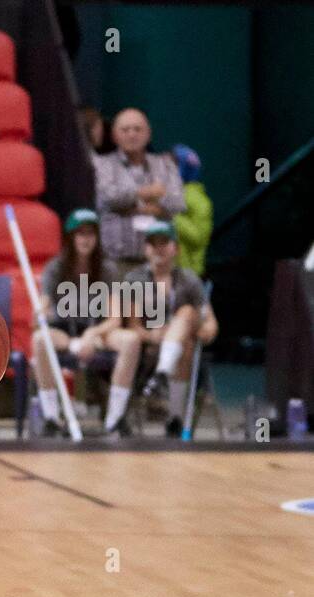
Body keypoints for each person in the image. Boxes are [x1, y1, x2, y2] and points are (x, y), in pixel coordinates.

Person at [31, 208, 140, 438]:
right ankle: (52, 417)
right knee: (40, 339)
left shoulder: (107, 269)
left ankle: (114, 419)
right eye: (80, 233)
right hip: (65, 334)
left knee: (131, 340)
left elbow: (115, 318)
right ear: (70, 238)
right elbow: (40, 312)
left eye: (90, 233)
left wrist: (92, 334)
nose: (85, 239)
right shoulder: (56, 268)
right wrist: (39, 311)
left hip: (99, 333)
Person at [124, 222, 217, 436]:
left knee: (186, 314)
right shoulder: (134, 280)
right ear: (145, 249)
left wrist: (205, 331)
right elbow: (134, 328)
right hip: (149, 350)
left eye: (164, 243)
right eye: (153, 243)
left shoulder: (189, 280)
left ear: (176, 248)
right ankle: (175, 417)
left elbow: (210, 322)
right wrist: (156, 334)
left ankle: (163, 377)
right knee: (184, 337)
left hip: (182, 346)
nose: (159, 248)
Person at [93, 108, 184, 274]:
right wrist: (150, 194)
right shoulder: (102, 164)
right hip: (116, 262)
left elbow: (178, 203)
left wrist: (130, 207)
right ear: (114, 135)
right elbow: (108, 198)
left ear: (148, 134)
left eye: (137, 129)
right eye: (125, 130)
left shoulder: (165, 164)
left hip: (158, 262)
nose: (132, 134)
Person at [171, 143, 211, 277]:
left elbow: (199, 238)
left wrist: (173, 216)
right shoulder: (171, 194)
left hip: (188, 274)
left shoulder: (198, 200)